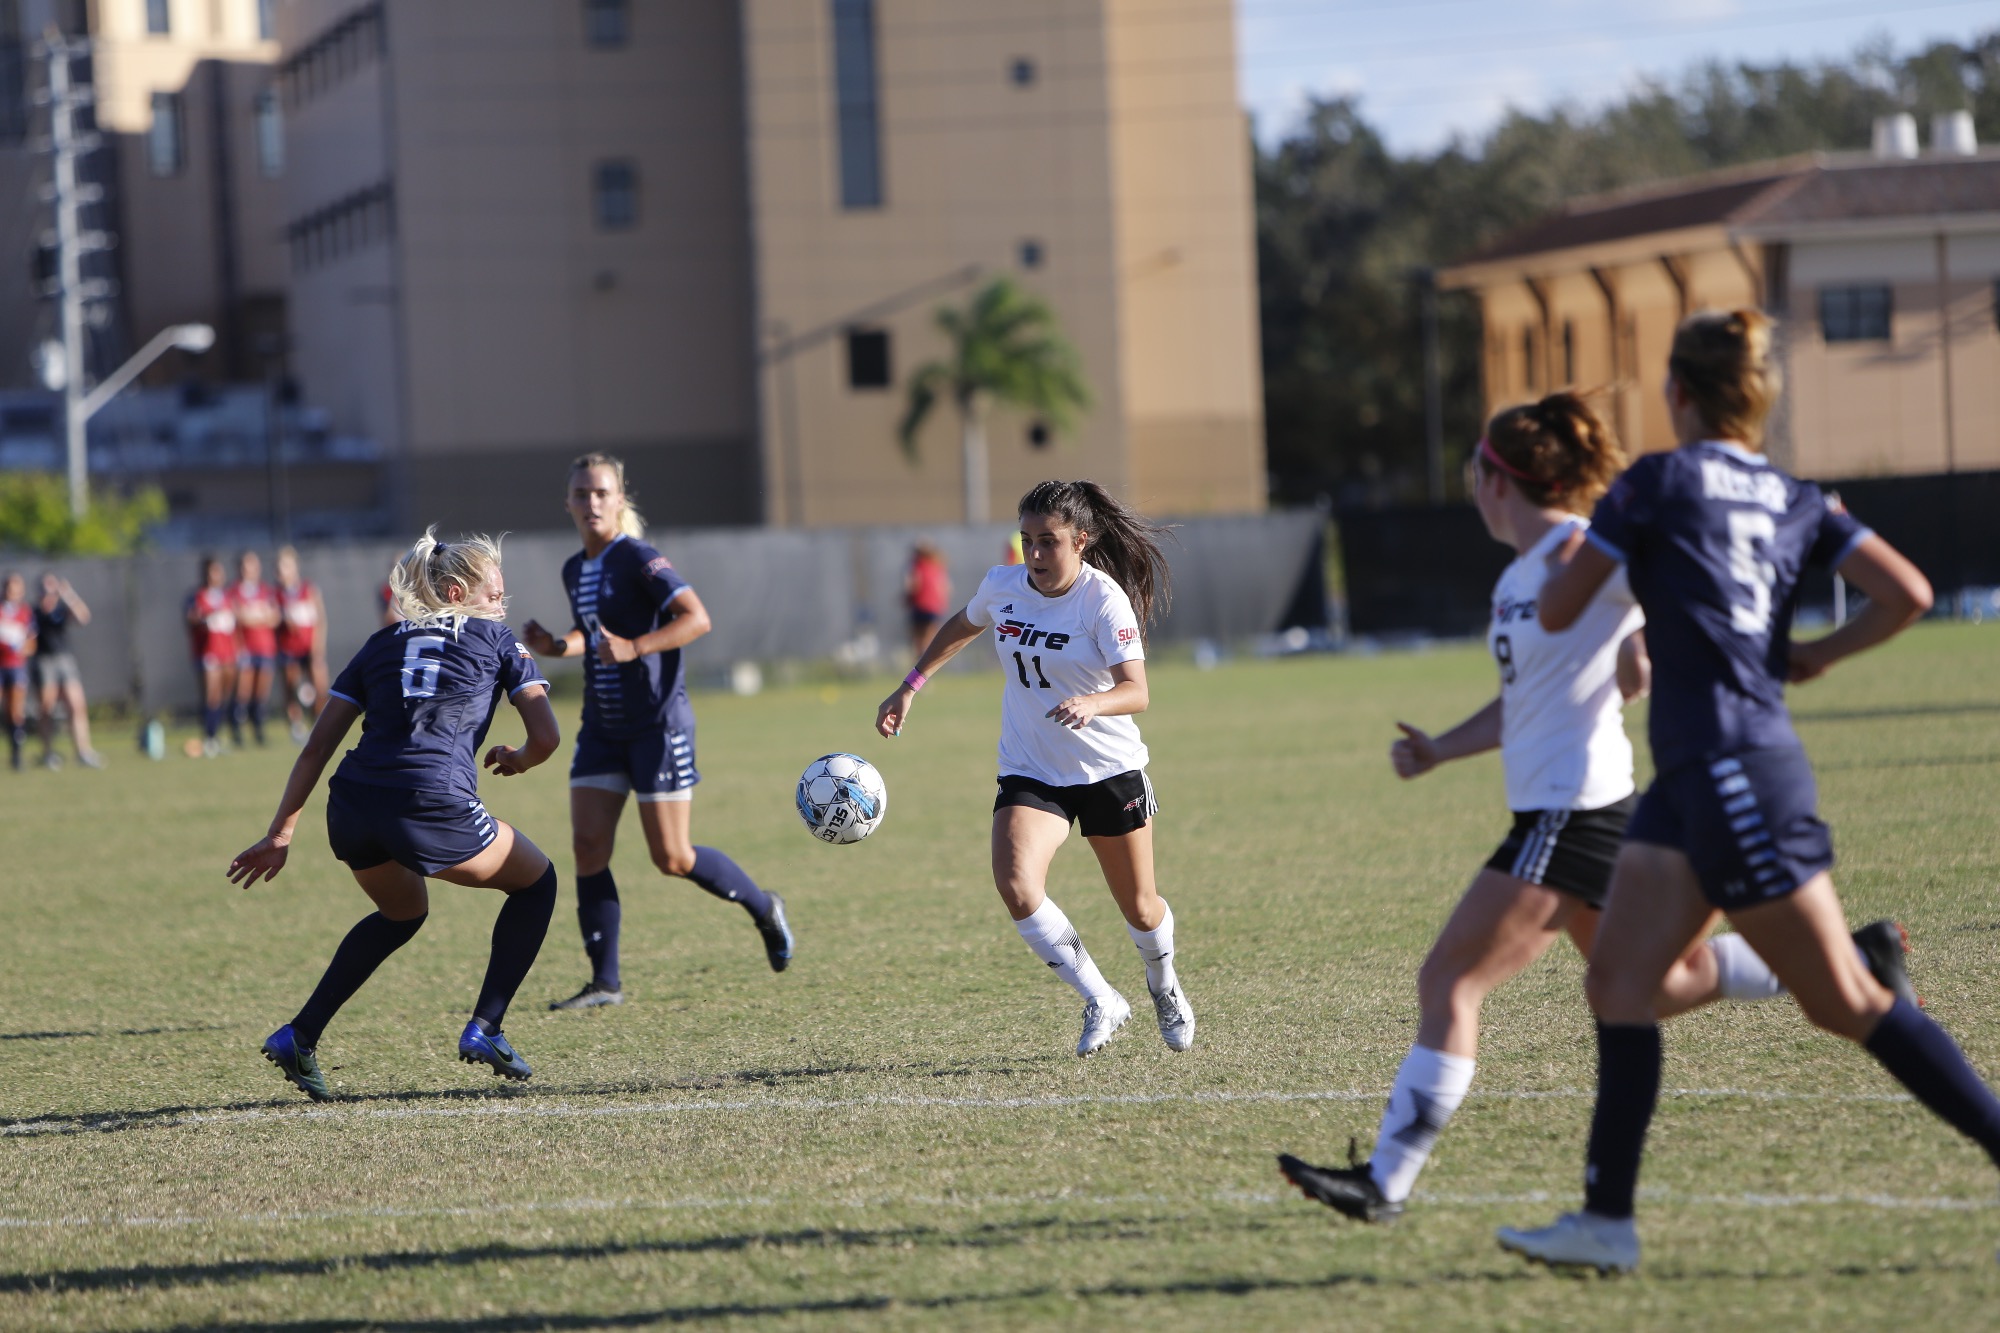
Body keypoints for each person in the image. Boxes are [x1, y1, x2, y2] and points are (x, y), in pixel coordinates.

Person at [1275, 391, 1913, 1224]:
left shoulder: (1589, 550)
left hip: (1569, 813)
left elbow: (1663, 601)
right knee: (1663, 985)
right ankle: (1857, 962)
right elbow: (1523, 703)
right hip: (1583, 812)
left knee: (1450, 979)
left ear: (1497, 480)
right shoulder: (1518, 576)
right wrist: (1439, 748)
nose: (1472, 487)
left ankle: (1386, 1181)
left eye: (1475, 472)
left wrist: (1645, 647)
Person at [1497, 310, 2000, 1273]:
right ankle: (1606, 1221)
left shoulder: (1653, 482)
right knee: (1618, 981)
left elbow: (1562, 607)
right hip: (1693, 775)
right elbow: (1908, 592)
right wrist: (1814, 651)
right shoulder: (1794, 494)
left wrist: (1624, 558)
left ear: (1677, 393)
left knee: (1847, 999)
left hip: (1730, 767)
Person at [227, 529, 561, 1100]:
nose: (502, 606)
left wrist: (281, 832)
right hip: (431, 802)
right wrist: (519, 759)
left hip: (353, 804)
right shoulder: (497, 639)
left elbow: (316, 748)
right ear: (456, 592)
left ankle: (299, 1035)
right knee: (538, 884)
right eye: (495, 594)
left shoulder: (380, 643)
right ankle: (486, 1026)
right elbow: (547, 735)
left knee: (402, 913)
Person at [875, 479, 1195, 1057]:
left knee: (1141, 908)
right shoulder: (1004, 587)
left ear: (1081, 540)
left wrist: (1093, 703)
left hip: (1108, 769)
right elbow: (963, 624)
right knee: (1017, 884)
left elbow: (1136, 691)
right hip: (1031, 769)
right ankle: (1102, 998)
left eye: (1049, 541)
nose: (1037, 555)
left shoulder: (1103, 600)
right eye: (1027, 541)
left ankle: (1163, 984)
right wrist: (910, 686)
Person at [523, 453, 793, 1011]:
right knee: (587, 846)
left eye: (602, 493)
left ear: (621, 500)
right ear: (568, 502)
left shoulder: (640, 559)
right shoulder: (576, 568)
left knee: (671, 857)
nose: (592, 503)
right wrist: (557, 647)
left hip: (656, 724)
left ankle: (764, 906)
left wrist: (636, 648)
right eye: (582, 494)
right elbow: (591, 632)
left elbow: (696, 617)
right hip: (601, 725)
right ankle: (605, 983)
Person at [32, 573, 103, 769]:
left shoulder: (62, 610)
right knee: (46, 709)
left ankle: (83, 751)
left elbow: (83, 617)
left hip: (65, 660)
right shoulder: (35, 612)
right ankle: (48, 754)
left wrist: (68, 593)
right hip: (44, 661)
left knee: (76, 706)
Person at [275, 546, 330, 743]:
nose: (282, 572)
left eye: (286, 566)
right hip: (289, 649)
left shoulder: (309, 589)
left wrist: (317, 648)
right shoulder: (276, 594)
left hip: (309, 648)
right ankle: (296, 727)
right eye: (279, 568)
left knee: (319, 687)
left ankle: (318, 725)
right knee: (291, 688)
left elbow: (320, 620)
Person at [230, 550, 282, 746]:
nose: (248, 570)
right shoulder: (234, 591)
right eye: (245, 566)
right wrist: (259, 615)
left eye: (252, 565)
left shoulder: (266, 591)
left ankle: (259, 730)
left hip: (265, 647)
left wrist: (253, 616)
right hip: (245, 649)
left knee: (261, 694)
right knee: (243, 692)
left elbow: (274, 617)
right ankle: (237, 731)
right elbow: (240, 617)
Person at [187, 557, 236, 757]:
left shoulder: (227, 597)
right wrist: (204, 617)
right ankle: (208, 737)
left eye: (218, 571)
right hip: (209, 653)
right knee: (211, 695)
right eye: (211, 571)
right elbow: (192, 618)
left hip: (228, 653)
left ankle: (216, 735)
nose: (215, 575)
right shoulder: (198, 597)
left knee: (223, 695)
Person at [0, 572, 34, 771]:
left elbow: (31, 643)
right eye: (8, 587)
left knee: (15, 711)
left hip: (15, 666)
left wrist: (21, 647)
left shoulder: (24, 613)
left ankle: (16, 755)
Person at [905, 541, 952, 658]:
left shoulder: (918, 566)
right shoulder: (938, 566)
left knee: (919, 638)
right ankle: (925, 664)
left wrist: (907, 598)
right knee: (929, 638)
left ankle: (920, 666)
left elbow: (913, 584)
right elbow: (946, 587)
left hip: (920, 605)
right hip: (934, 607)